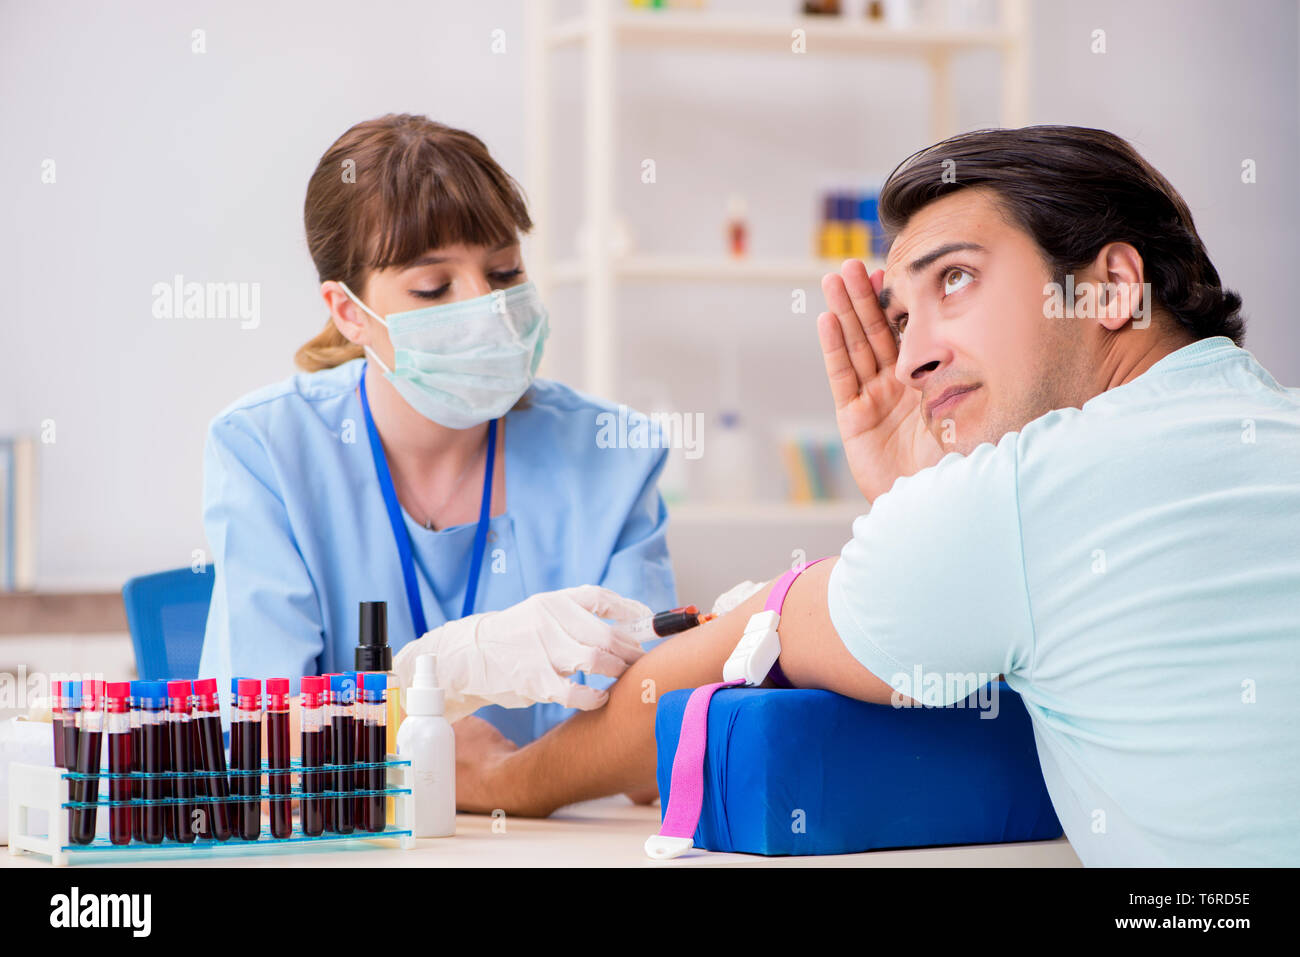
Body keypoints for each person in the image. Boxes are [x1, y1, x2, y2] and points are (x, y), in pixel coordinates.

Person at [450, 126, 1300, 866]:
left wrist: (498, 778)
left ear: (1113, 285)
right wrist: (927, 501)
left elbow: (743, 644)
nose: (911, 360)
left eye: (957, 280)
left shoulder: (1024, 495)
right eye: (900, 318)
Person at [196, 114, 676, 755]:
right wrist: (442, 677)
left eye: (504, 274)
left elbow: (649, 736)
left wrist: (495, 784)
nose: (485, 308)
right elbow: (255, 742)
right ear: (348, 311)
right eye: (433, 286)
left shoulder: (612, 455)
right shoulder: (268, 453)